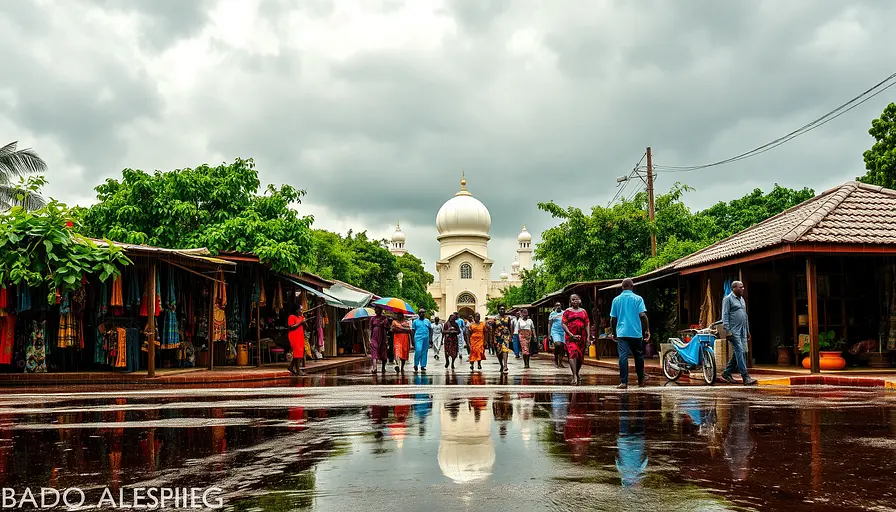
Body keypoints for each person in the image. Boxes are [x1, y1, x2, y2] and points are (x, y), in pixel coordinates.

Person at [610, 278, 649, 389]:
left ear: (622, 287)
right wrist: (646, 330)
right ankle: (641, 380)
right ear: (632, 286)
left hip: (622, 333)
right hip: (636, 332)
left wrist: (614, 332)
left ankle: (623, 382)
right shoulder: (638, 299)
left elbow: (613, 318)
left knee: (623, 356)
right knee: (638, 355)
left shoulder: (616, 300)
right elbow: (643, 315)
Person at [721, 281, 758, 386]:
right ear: (734, 288)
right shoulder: (728, 299)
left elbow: (745, 316)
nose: (743, 289)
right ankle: (745, 377)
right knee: (740, 352)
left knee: (742, 351)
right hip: (734, 331)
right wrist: (728, 331)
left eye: (743, 287)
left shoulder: (742, 299)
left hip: (742, 330)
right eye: (740, 287)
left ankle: (726, 373)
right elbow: (725, 316)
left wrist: (747, 331)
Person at [562, 294, 590, 385]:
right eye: (573, 299)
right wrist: (570, 334)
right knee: (572, 353)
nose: (575, 301)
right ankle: (574, 375)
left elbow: (587, 324)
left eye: (576, 299)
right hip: (570, 336)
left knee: (580, 357)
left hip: (582, 337)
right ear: (570, 301)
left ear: (580, 300)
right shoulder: (567, 311)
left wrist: (588, 337)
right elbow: (563, 324)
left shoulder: (584, 311)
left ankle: (577, 372)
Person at [369, 306, 390, 374]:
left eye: (378, 310)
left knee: (383, 353)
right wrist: (369, 338)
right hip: (374, 337)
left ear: (381, 311)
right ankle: (375, 367)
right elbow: (370, 329)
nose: (377, 311)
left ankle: (383, 367)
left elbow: (388, 328)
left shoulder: (384, 318)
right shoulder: (372, 318)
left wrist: (385, 322)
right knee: (374, 351)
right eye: (376, 310)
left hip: (383, 337)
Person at [493, 305, 514, 374]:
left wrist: (511, 336)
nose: (502, 310)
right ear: (498, 310)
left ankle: (505, 365)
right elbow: (493, 329)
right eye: (501, 309)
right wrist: (492, 338)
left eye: (503, 309)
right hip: (497, 336)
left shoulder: (508, 318)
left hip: (506, 336)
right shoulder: (495, 318)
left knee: (505, 350)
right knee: (499, 352)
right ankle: (501, 364)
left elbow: (510, 327)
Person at [287, 305, 306, 376]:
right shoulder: (291, 317)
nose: (301, 311)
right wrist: (300, 323)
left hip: (300, 337)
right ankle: (298, 370)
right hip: (294, 337)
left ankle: (291, 366)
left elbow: (306, 327)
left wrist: (304, 322)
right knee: (297, 352)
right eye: (300, 310)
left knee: (299, 352)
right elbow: (291, 327)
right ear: (296, 310)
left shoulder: (301, 317)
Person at [549, 302, 566, 368]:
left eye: (559, 305)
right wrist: (549, 334)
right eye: (557, 305)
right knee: (558, 344)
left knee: (562, 347)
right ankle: (556, 361)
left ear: (561, 306)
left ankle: (560, 362)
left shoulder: (564, 313)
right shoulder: (552, 314)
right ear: (555, 306)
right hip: (555, 331)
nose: (558, 306)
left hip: (563, 331)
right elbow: (549, 324)